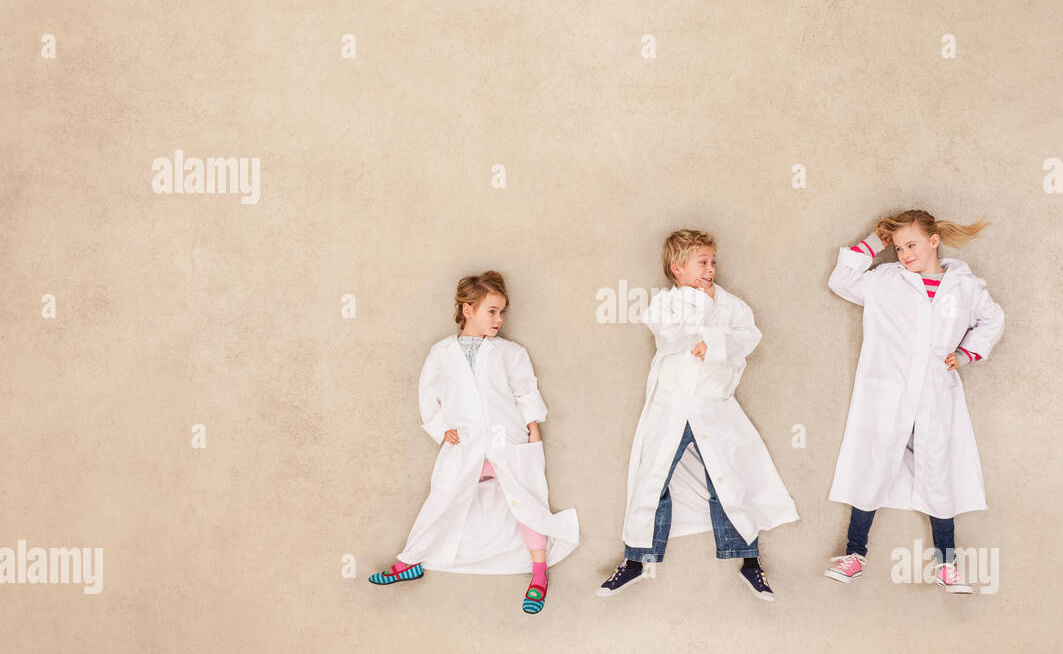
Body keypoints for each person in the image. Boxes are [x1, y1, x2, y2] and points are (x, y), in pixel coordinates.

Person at [598, 229, 798, 601]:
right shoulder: (665, 303)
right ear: (677, 268)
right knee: (651, 478)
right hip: (671, 406)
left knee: (729, 480)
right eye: (702, 263)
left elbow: (750, 337)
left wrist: (717, 343)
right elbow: (669, 336)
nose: (711, 269)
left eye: (713, 262)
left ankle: (750, 561)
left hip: (713, 406)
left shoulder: (732, 305)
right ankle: (637, 559)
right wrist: (702, 317)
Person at [369, 271, 578, 614]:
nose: (498, 319)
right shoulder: (441, 353)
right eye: (491, 311)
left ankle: (539, 574)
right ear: (468, 310)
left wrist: (532, 427)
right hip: (466, 443)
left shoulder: (511, 352)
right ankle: (411, 560)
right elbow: (428, 394)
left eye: (502, 312)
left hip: (508, 440)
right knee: (445, 496)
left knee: (525, 501)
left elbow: (525, 390)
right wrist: (440, 429)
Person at [823, 210, 1004, 593]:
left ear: (934, 241)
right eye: (899, 246)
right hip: (889, 392)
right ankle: (855, 555)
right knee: (873, 464)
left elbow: (993, 320)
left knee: (939, 470)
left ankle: (946, 564)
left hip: (936, 393)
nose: (904, 254)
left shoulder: (965, 287)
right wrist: (875, 243)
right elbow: (840, 280)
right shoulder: (886, 281)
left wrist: (968, 353)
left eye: (912, 245)